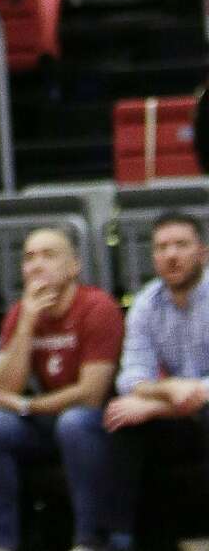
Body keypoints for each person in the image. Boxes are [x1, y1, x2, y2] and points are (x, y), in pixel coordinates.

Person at [0, 225, 125, 551]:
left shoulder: (98, 307)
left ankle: (89, 541)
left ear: (74, 266)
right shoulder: (20, 312)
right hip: (50, 420)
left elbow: (91, 394)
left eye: (48, 255)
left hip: (99, 422)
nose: (36, 265)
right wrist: (26, 323)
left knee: (74, 422)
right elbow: (2, 392)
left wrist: (28, 406)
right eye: (29, 258)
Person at [105, 211, 209, 533]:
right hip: (179, 408)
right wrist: (169, 390)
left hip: (201, 408)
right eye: (162, 247)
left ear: (203, 253)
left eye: (181, 245)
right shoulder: (145, 303)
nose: (171, 255)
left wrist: (157, 403)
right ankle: (124, 539)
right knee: (123, 417)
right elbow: (131, 377)